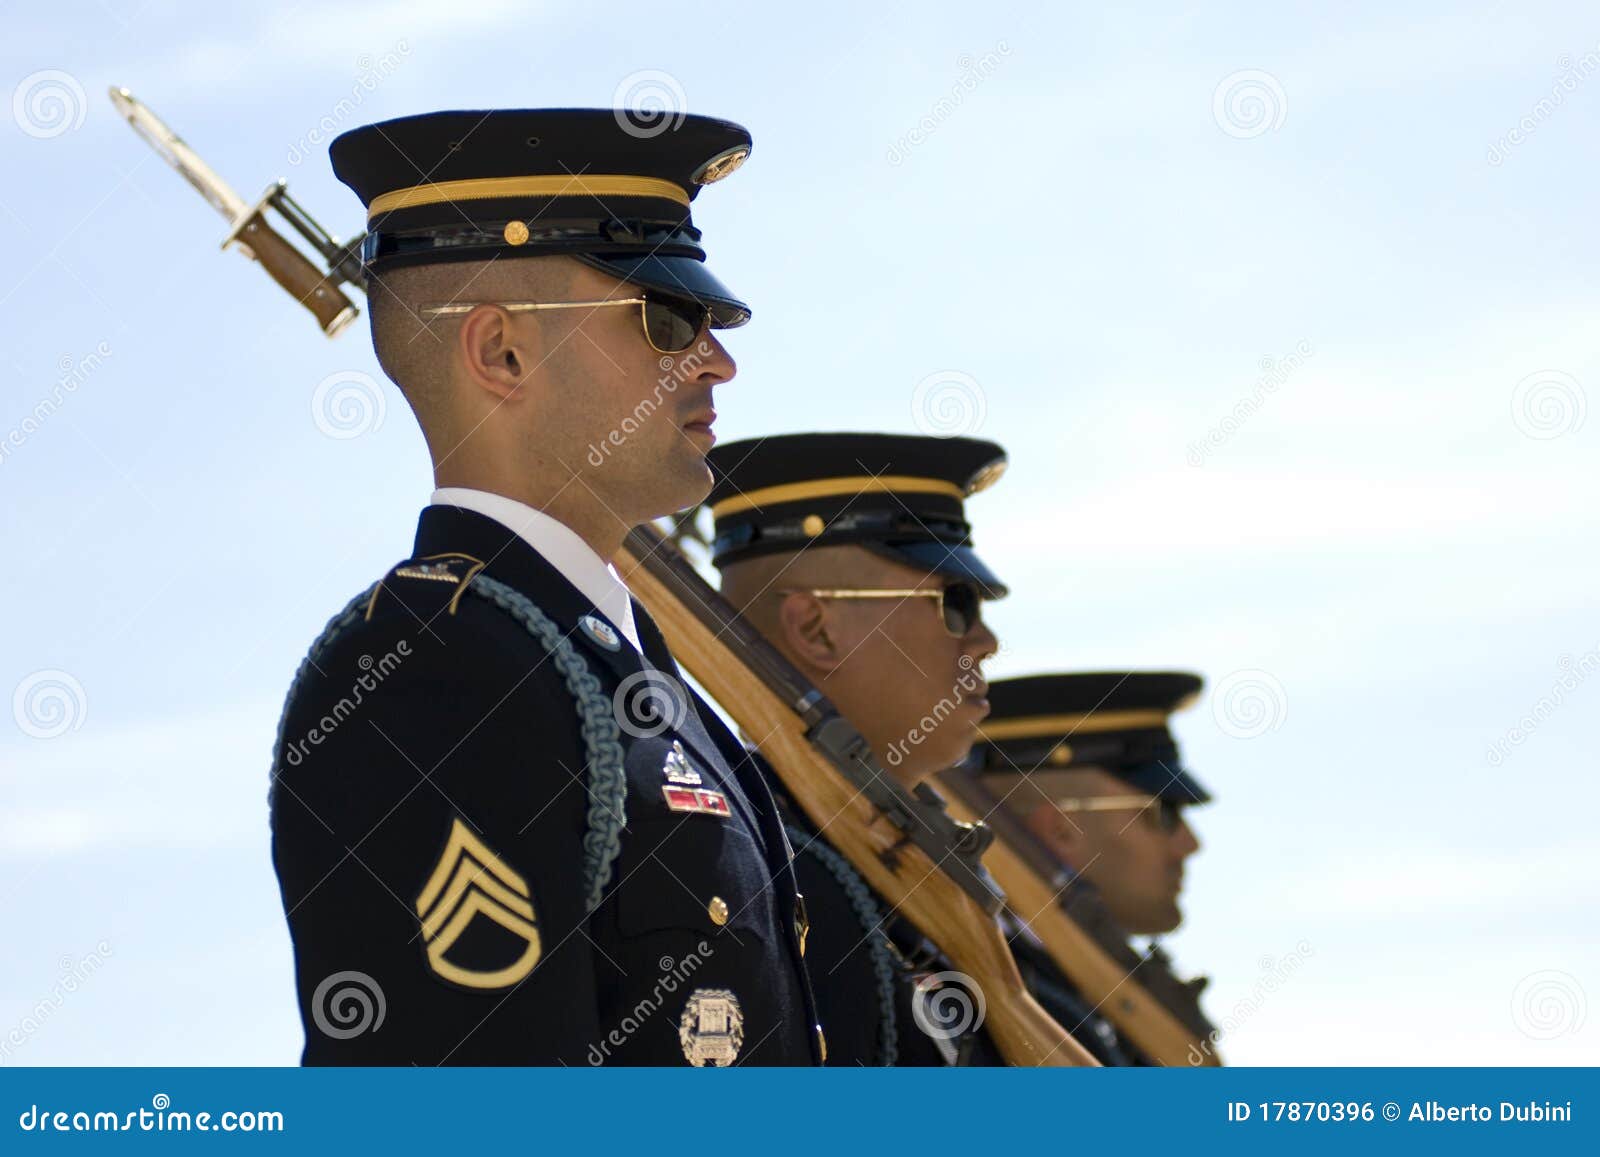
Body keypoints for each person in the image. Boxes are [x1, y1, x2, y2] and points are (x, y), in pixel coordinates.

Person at [269, 108, 822, 1066]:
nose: (718, 359)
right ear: (501, 355)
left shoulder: (627, 674)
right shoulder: (431, 671)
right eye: (666, 318)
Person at [708, 432, 1009, 1065]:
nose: (984, 641)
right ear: (816, 628)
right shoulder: (775, 877)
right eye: (954, 604)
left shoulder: (886, 867)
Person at [971, 671, 1210, 1064]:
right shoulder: (1001, 998)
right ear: (1063, 828)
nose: (1190, 844)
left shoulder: (1083, 997)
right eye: (1163, 814)